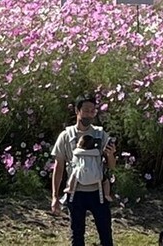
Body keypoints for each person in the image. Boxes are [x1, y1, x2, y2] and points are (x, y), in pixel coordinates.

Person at [51, 94, 116, 246]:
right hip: (75, 193)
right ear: (77, 111)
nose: (89, 114)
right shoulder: (66, 136)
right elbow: (59, 167)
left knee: (106, 236)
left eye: (92, 111)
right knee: (77, 236)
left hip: (98, 193)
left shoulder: (101, 134)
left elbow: (112, 166)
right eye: (86, 110)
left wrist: (111, 154)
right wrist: (55, 196)